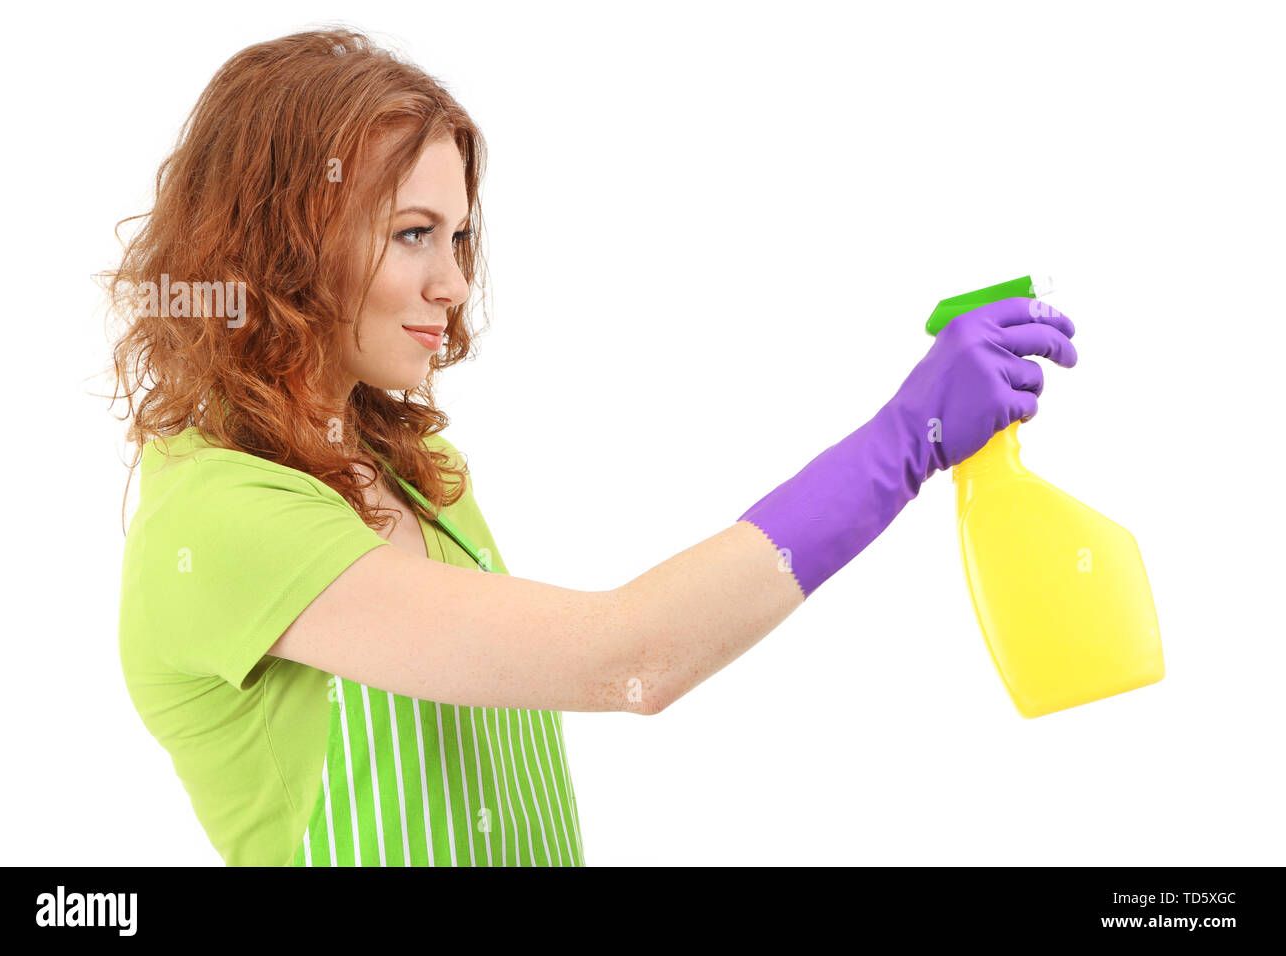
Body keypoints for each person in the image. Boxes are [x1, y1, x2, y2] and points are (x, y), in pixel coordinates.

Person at [106, 28, 1077, 867]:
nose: (452, 281)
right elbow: (631, 658)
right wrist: (901, 442)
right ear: (282, 239)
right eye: (412, 233)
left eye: (458, 236)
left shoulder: (408, 471)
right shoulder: (220, 515)